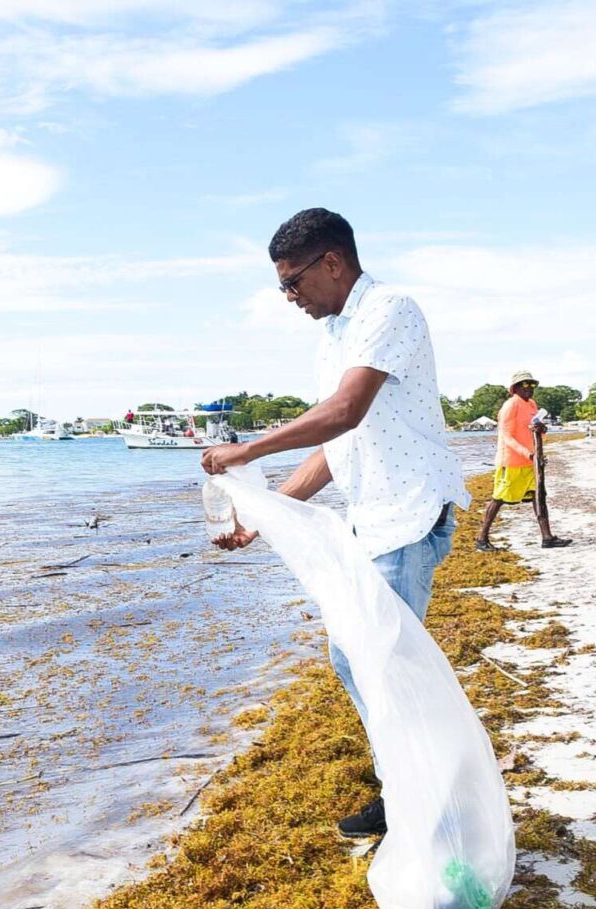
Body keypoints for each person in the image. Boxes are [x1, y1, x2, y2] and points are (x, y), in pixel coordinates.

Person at [201, 208, 470, 838]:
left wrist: (248, 450)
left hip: (407, 513)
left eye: (292, 282)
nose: (288, 297)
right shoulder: (336, 334)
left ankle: (428, 802)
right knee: (354, 656)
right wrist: (263, 516)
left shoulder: (389, 309)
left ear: (332, 262)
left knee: (386, 664)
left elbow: (345, 411)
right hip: (372, 518)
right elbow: (337, 446)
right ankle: (405, 784)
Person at [475, 372, 572, 552]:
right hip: (511, 462)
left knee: (539, 496)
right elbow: (507, 437)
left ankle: (547, 537)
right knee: (499, 498)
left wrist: (542, 429)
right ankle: (482, 539)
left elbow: (536, 431)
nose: (529, 389)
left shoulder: (532, 404)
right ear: (516, 388)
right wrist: (528, 454)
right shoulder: (510, 405)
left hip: (531, 462)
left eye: (531, 385)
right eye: (524, 385)